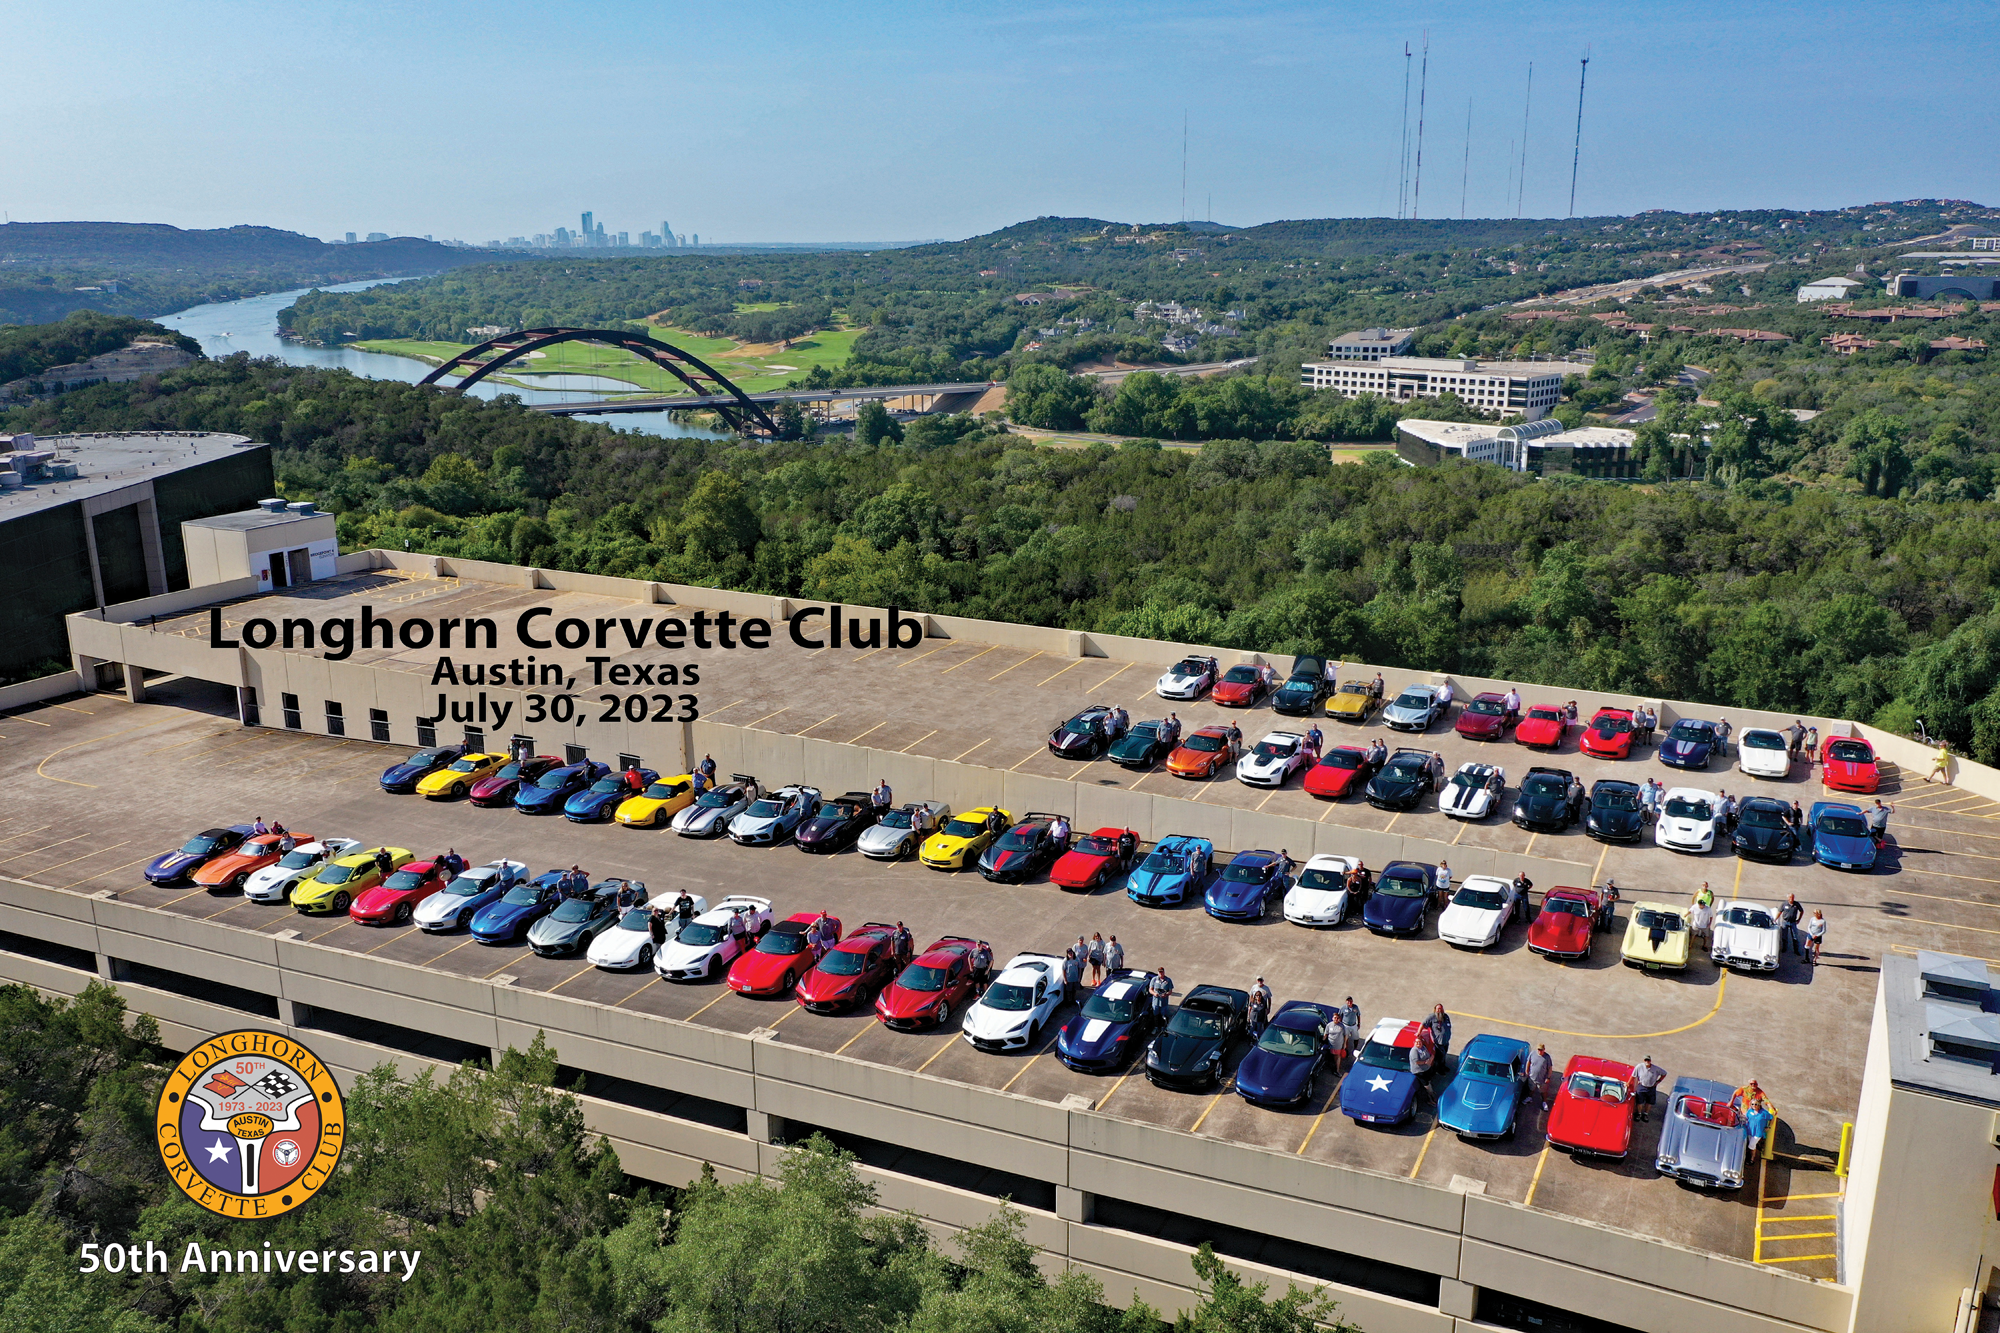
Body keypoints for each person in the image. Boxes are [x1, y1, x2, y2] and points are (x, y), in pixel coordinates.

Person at [1634, 1057, 1666, 1122]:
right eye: (1646, 1060)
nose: (1647, 1061)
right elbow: (1633, 1075)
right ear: (1644, 1060)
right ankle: (1639, 1114)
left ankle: (1645, 1114)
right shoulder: (1639, 1067)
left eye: (1648, 1060)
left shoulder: (1656, 1069)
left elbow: (1664, 1073)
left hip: (1651, 1088)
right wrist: (1628, 1083)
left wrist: (1658, 1081)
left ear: (1650, 1061)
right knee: (1639, 1101)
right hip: (1642, 1086)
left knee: (1649, 1102)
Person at [1528, 1043, 1555, 1110]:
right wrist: (1527, 1071)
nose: (1540, 1051)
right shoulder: (1533, 1054)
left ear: (1544, 1050)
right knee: (1531, 1088)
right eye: (1539, 1049)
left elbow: (1550, 1068)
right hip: (1532, 1077)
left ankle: (1544, 1102)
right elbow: (1528, 1062)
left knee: (1543, 1091)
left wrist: (1548, 1077)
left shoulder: (1547, 1057)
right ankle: (1529, 1098)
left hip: (1542, 1079)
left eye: (1541, 1050)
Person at [1339, 996, 1361, 1062]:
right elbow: (1340, 1015)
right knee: (1346, 1039)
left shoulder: (1355, 1007)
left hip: (1353, 1025)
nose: (1349, 1002)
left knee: (1356, 1038)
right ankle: (1346, 1050)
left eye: (1350, 1001)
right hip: (1346, 1025)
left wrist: (1359, 1023)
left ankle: (1355, 1049)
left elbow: (1358, 1015)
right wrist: (1340, 1025)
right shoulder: (1343, 1008)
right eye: (1348, 1001)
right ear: (1346, 1002)